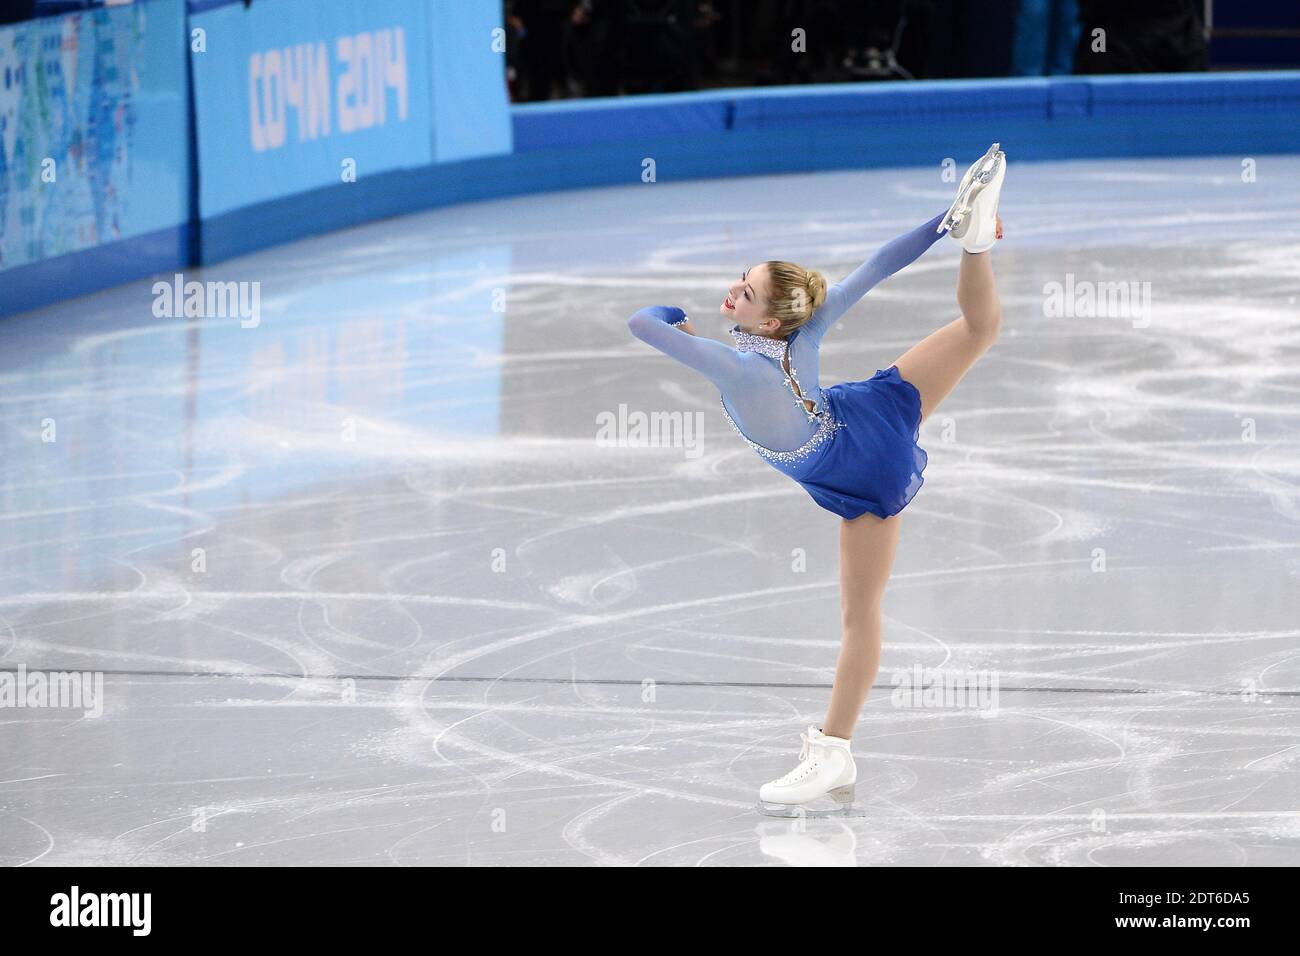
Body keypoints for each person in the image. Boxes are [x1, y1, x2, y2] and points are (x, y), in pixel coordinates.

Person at [627, 144, 1006, 813]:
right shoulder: (804, 332)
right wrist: (944, 225)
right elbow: (877, 266)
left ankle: (834, 750)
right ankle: (976, 244)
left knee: (860, 616)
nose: (732, 292)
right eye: (739, 281)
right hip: (867, 414)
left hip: (861, 468)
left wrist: (669, 313)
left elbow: (640, 325)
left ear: (768, 322)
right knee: (979, 330)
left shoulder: (733, 366)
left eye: (743, 292)